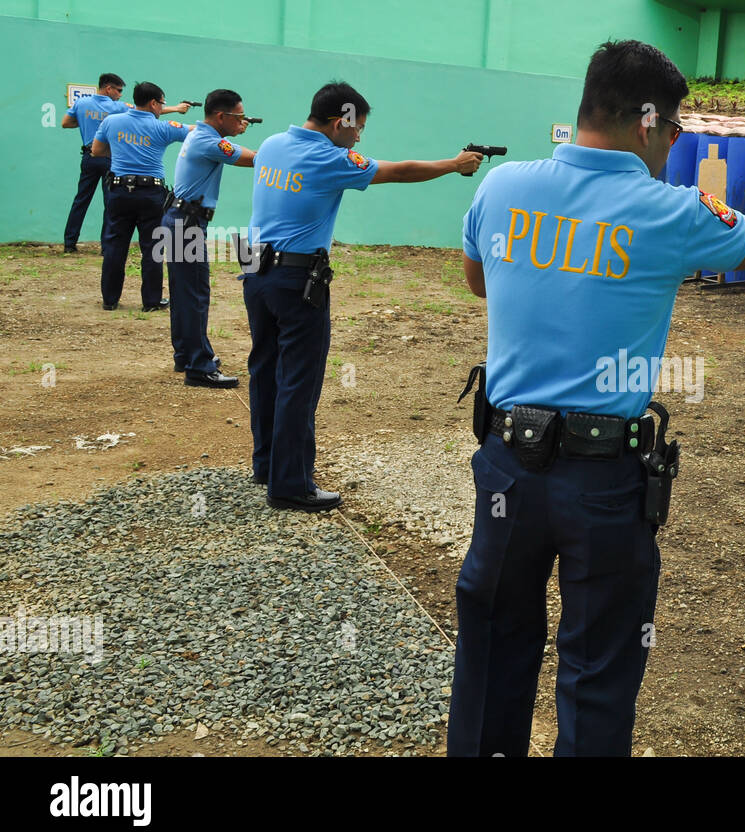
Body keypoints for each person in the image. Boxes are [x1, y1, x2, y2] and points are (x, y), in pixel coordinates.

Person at [449, 39, 745, 756]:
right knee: (597, 674)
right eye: (675, 129)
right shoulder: (669, 212)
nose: (674, 143)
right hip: (602, 483)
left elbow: (480, 282)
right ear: (647, 122)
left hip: (506, 470)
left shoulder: (501, 187)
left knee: (491, 649)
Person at [241, 81, 483, 511]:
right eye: (358, 129)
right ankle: (291, 484)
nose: (358, 138)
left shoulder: (273, 144)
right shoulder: (328, 158)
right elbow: (400, 170)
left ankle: (267, 464)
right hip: (296, 281)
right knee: (297, 380)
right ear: (340, 123)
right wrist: (454, 164)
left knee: (265, 367)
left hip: (255, 268)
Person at [164, 88, 256, 388]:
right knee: (194, 294)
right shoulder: (208, 141)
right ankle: (199, 366)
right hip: (187, 224)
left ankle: (186, 355)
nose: (242, 122)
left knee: (184, 293)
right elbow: (251, 159)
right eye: (239, 118)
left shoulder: (201, 135)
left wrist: (237, 131)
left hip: (180, 220)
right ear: (221, 116)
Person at [91, 82, 193, 311]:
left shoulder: (111, 122)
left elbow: (96, 151)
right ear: (154, 103)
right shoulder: (163, 128)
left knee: (115, 246)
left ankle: (110, 300)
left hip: (118, 192)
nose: (162, 108)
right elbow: (196, 131)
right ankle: (151, 301)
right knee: (152, 247)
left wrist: (119, 149)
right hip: (150, 195)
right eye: (162, 103)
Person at [61, 73, 127, 253]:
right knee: (110, 203)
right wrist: (175, 108)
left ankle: (69, 244)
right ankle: (106, 247)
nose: (120, 95)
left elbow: (65, 123)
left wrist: (85, 122)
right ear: (108, 88)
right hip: (108, 158)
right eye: (119, 90)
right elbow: (143, 111)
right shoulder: (118, 107)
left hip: (89, 156)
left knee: (81, 200)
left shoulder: (81, 103)